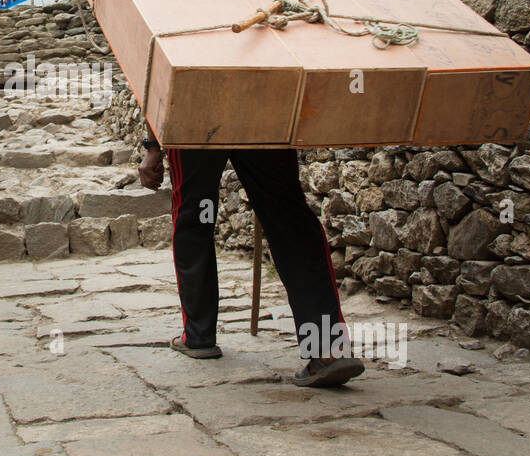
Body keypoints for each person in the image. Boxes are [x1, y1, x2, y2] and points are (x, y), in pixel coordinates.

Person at [139, 124, 365, 388]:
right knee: (288, 219)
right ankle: (327, 346)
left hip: (197, 119)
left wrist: (153, 147)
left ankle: (198, 334)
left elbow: (154, 83)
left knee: (197, 218)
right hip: (262, 114)